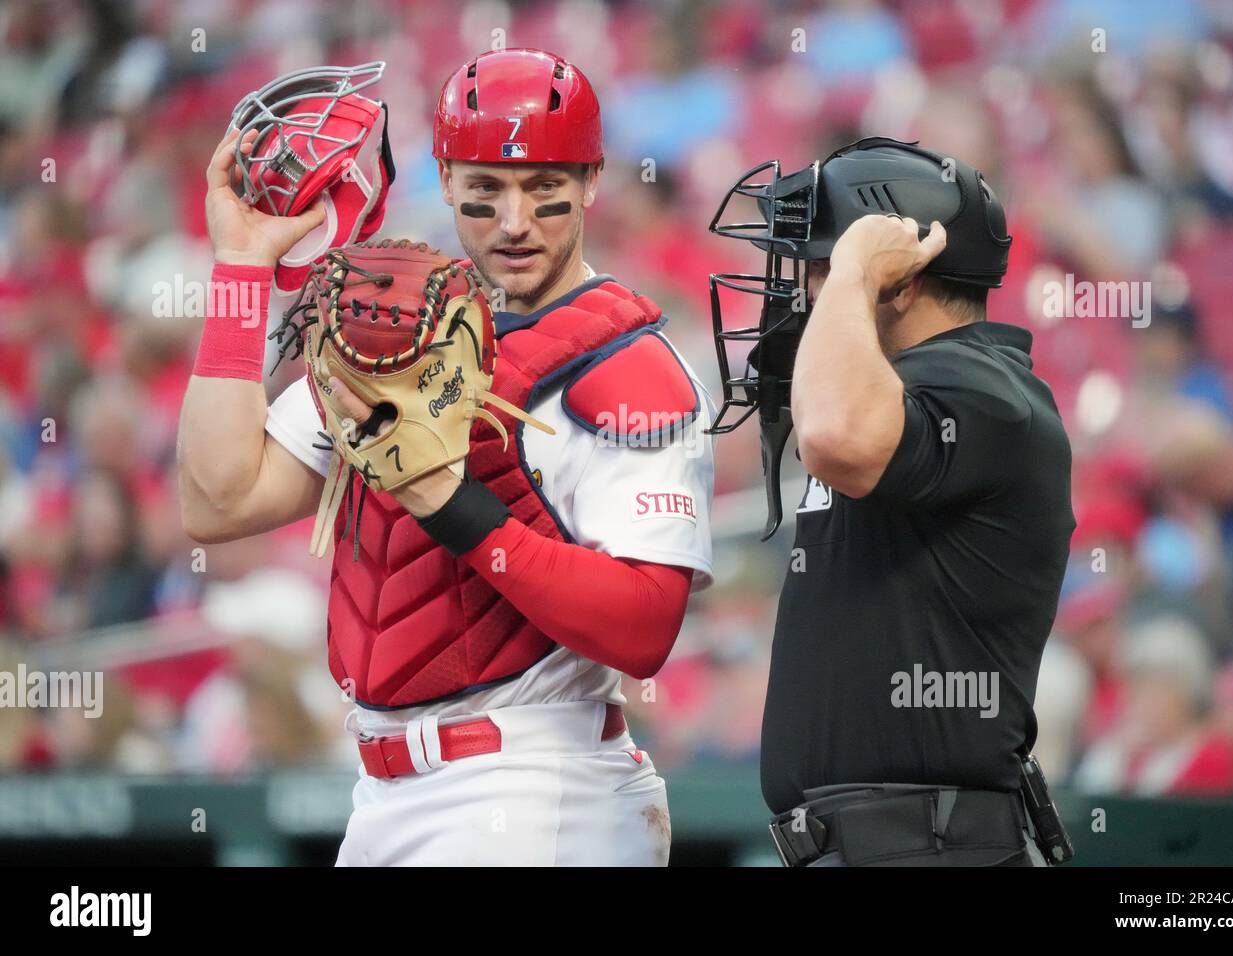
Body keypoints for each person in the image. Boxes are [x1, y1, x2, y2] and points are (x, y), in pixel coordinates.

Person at [176, 48, 716, 866]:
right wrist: (242, 271)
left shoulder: (624, 368)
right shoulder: (402, 325)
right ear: (445, 176)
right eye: (487, 189)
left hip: (534, 783)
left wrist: (450, 501)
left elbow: (644, 628)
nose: (514, 221)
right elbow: (218, 501)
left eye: (544, 188)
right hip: (384, 792)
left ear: (593, 180)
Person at [708, 137, 1075, 866]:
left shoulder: (985, 389)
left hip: (930, 843)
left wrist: (853, 269)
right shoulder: (921, 391)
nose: (804, 291)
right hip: (888, 843)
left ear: (899, 282)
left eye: (817, 265)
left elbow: (839, 434)